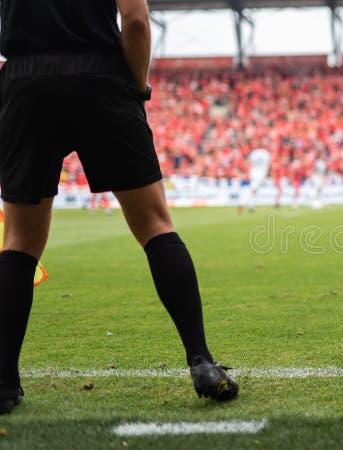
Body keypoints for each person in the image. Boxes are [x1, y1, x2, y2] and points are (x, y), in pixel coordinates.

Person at [0, 0, 238, 415]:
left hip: (25, 79)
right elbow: (135, 19)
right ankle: (201, 361)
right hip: (100, 77)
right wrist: (137, 88)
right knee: (155, 225)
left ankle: (3, 382)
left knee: (19, 242)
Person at [238, 147, 271, 214]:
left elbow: (248, 163)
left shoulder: (253, 157)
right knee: (252, 191)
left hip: (253, 174)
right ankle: (243, 204)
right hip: (256, 175)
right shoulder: (263, 156)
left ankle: (250, 206)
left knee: (252, 192)